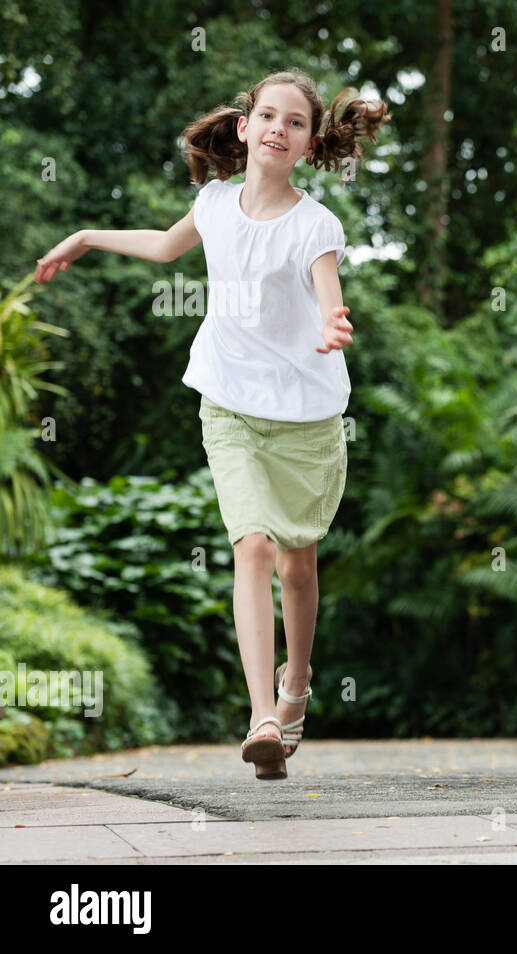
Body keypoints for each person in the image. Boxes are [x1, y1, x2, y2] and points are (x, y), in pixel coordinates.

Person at [34, 69, 388, 780]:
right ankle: (262, 717)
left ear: (309, 141)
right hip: (228, 403)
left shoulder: (316, 224)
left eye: (294, 122)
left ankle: (296, 686)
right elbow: (167, 247)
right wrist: (86, 237)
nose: (278, 129)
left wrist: (333, 322)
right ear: (243, 126)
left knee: (299, 563)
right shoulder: (215, 202)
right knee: (251, 544)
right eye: (267, 116)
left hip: (307, 416)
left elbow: (328, 293)